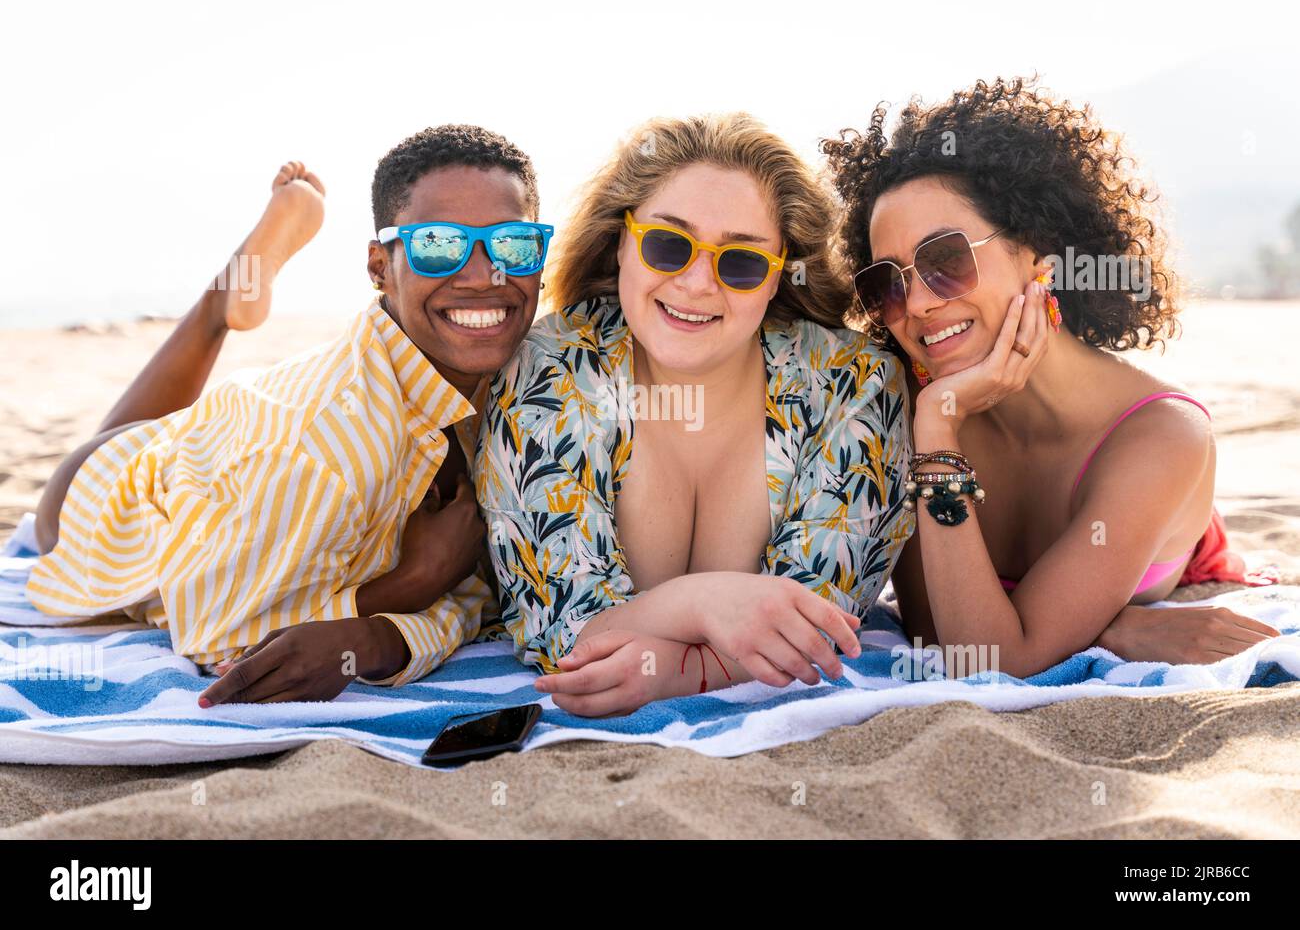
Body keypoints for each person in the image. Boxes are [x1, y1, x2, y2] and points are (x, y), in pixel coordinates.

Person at [27, 125, 550, 702]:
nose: (484, 275)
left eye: (513, 244)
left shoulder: (518, 383)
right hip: (107, 496)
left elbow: (480, 590)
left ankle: (228, 302)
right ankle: (222, 302)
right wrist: (407, 590)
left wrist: (429, 597)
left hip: (227, 437)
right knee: (132, 442)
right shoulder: (325, 455)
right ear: (379, 268)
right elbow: (221, 639)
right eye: (438, 244)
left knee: (179, 424)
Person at [821, 77, 1279, 677]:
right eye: (889, 282)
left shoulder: (1164, 436)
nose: (920, 303)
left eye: (945, 260)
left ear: (1039, 255)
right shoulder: (914, 406)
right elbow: (939, 629)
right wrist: (937, 424)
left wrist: (1057, 628)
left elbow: (988, 659)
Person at [475, 113, 913, 717]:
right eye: (667, 245)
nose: (698, 283)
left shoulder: (852, 383)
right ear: (621, 242)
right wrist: (709, 602)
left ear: (779, 273)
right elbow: (568, 636)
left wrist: (678, 670)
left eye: (740, 262)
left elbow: (817, 629)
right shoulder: (551, 368)